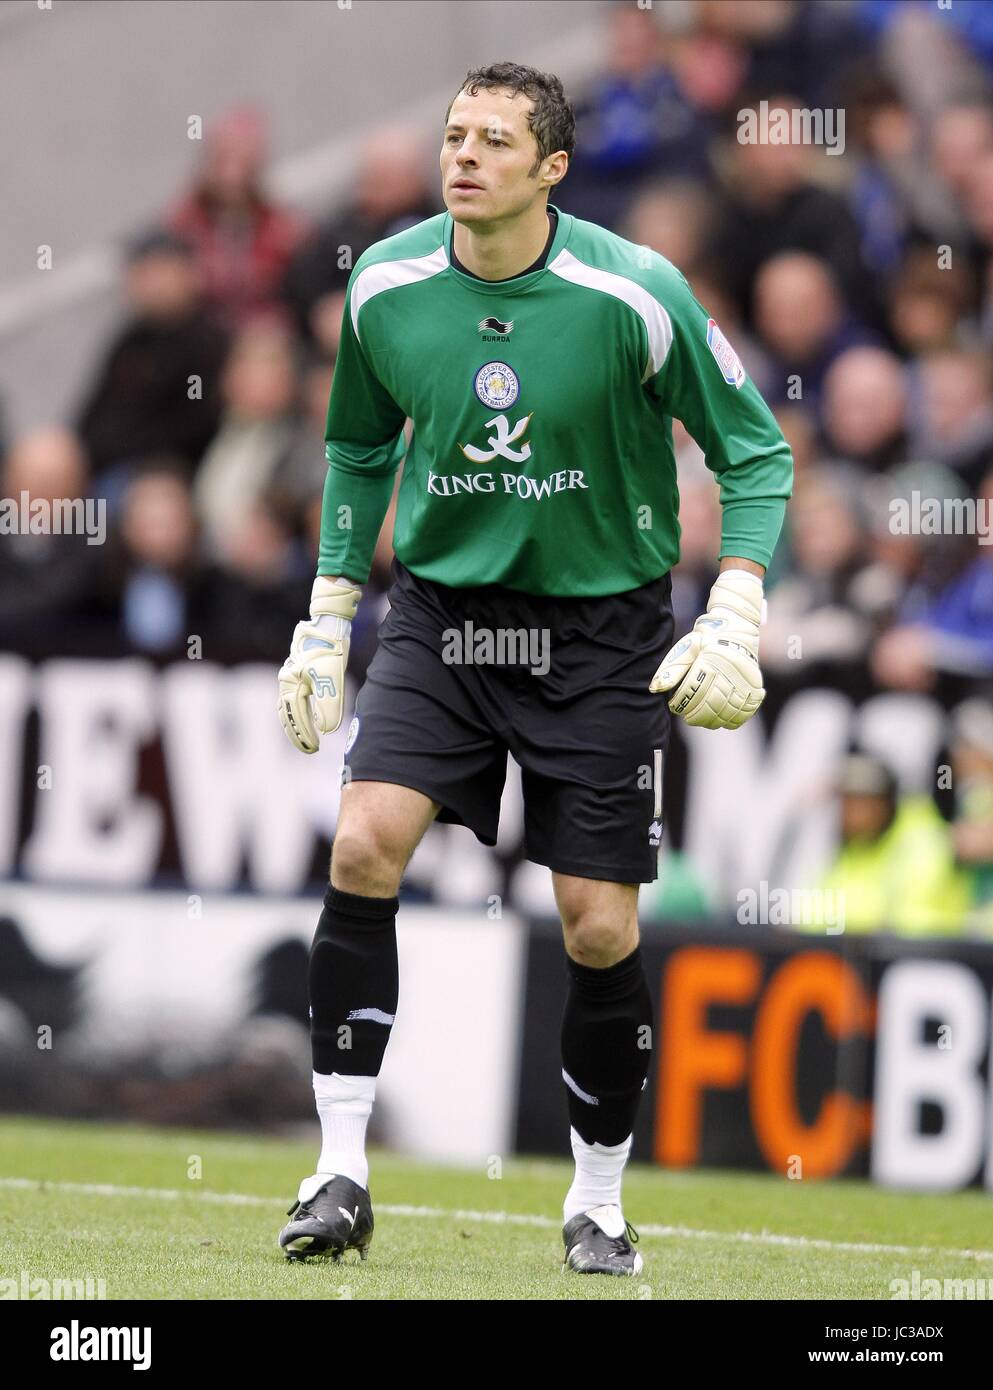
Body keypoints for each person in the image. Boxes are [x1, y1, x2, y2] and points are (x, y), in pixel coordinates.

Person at [274, 62, 793, 1277]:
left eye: (496, 140)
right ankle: (337, 1170)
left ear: (552, 168)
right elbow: (356, 447)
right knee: (361, 843)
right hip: (447, 618)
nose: (464, 156)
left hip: (604, 633)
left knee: (598, 925)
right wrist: (328, 610)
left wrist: (736, 603)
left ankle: (599, 1201)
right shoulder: (387, 284)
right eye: (454, 135)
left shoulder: (636, 292)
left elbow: (756, 452)